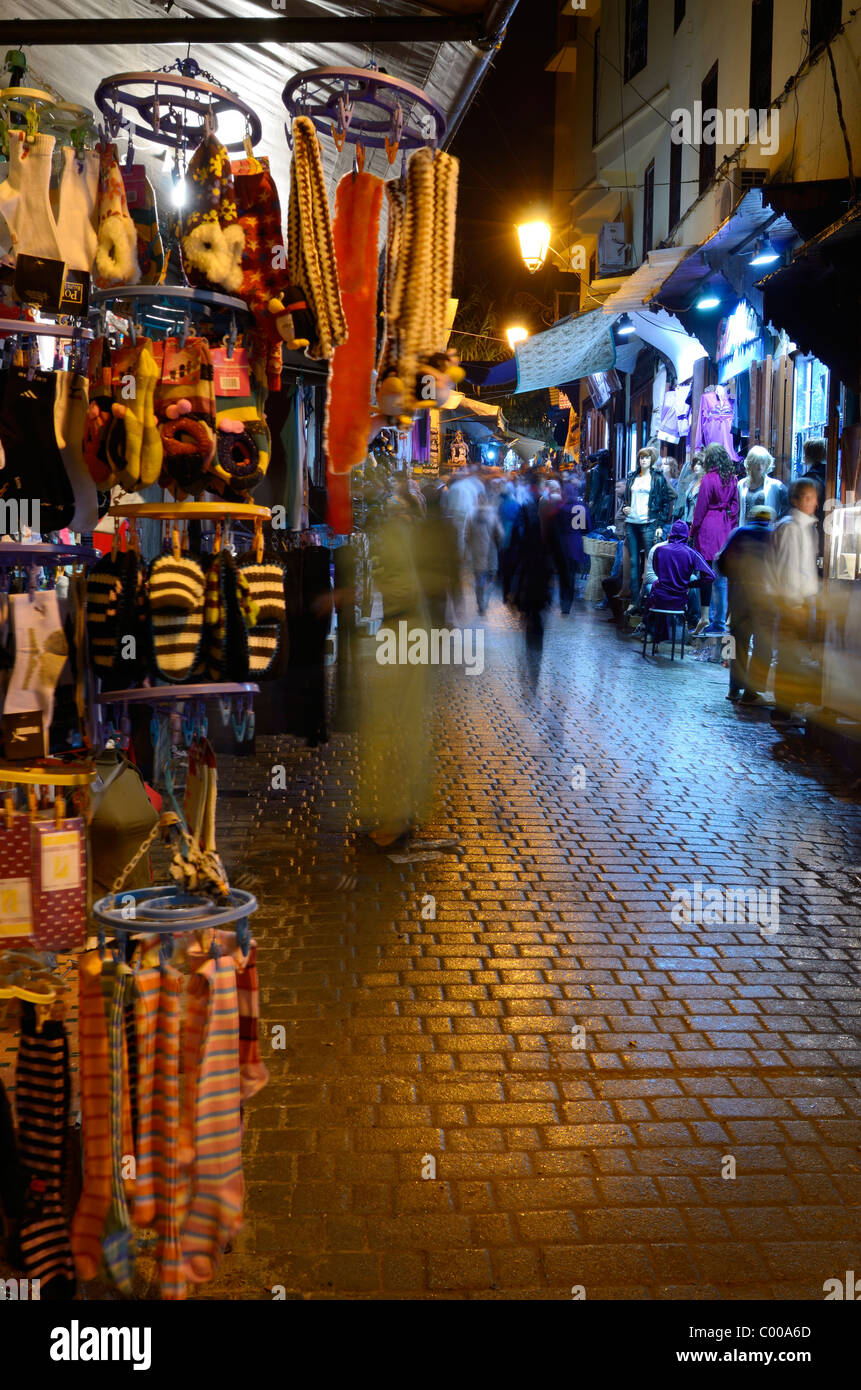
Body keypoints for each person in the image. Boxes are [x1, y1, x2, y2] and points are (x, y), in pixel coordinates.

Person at [768, 478, 821, 726]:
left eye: (814, 497)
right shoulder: (790, 529)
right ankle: (783, 710)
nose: (815, 503)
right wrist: (794, 602)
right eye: (809, 498)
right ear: (796, 500)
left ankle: (788, 707)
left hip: (800, 602)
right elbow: (789, 570)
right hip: (793, 603)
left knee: (793, 657)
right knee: (789, 658)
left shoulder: (803, 527)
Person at [714, 504, 775, 704]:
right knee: (763, 646)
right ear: (768, 519)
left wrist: (735, 577)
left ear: (751, 517)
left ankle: (734, 688)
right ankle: (752, 691)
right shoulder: (775, 536)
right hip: (766, 599)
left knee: (737, 643)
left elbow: (721, 561)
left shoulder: (739, 532)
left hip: (740, 596)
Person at [690, 442, 740, 635]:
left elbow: (700, 509)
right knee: (722, 578)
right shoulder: (733, 479)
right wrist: (729, 521)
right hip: (725, 526)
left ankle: (707, 618)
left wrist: (692, 532)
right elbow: (735, 507)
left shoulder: (708, 479)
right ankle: (719, 622)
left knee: (707, 575)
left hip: (709, 527)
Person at [509, 470, 554, 682]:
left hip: (528, 571)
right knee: (536, 618)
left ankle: (530, 660)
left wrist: (509, 582)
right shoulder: (548, 509)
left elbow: (514, 542)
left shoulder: (525, 509)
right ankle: (534, 663)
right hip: (542, 572)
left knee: (530, 616)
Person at [641, 519, 715, 643]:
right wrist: (689, 584)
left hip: (659, 599)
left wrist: (666, 580)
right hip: (678, 602)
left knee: (653, 589)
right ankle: (693, 626)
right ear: (686, 535)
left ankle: (648, 631)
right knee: (693, 580)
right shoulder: (692, 553)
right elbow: (711, 576)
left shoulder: (660, 550)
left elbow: (656, 569)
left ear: (671, 533)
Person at [622, 444, 672, 613]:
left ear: (652, 460)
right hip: (632, 523)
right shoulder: (632, 476)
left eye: (646, 457)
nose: (643, 460)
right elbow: (626, 499)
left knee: (650, 564)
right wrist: (624, 508)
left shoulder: (657, 478)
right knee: (634, 563)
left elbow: (667, 501)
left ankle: (651, 600)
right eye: (641, 457)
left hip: (649, 523)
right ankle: (635, 601)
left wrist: (660, 525)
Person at [466, 494, 502, 616]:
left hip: (477, 555)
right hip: (491, 554)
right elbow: (500, 535)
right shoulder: (493, 516)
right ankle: (485, 600)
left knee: (479, 580)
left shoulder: (470, 516)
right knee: (491, 579)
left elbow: (467, 536)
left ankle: (480, 603)